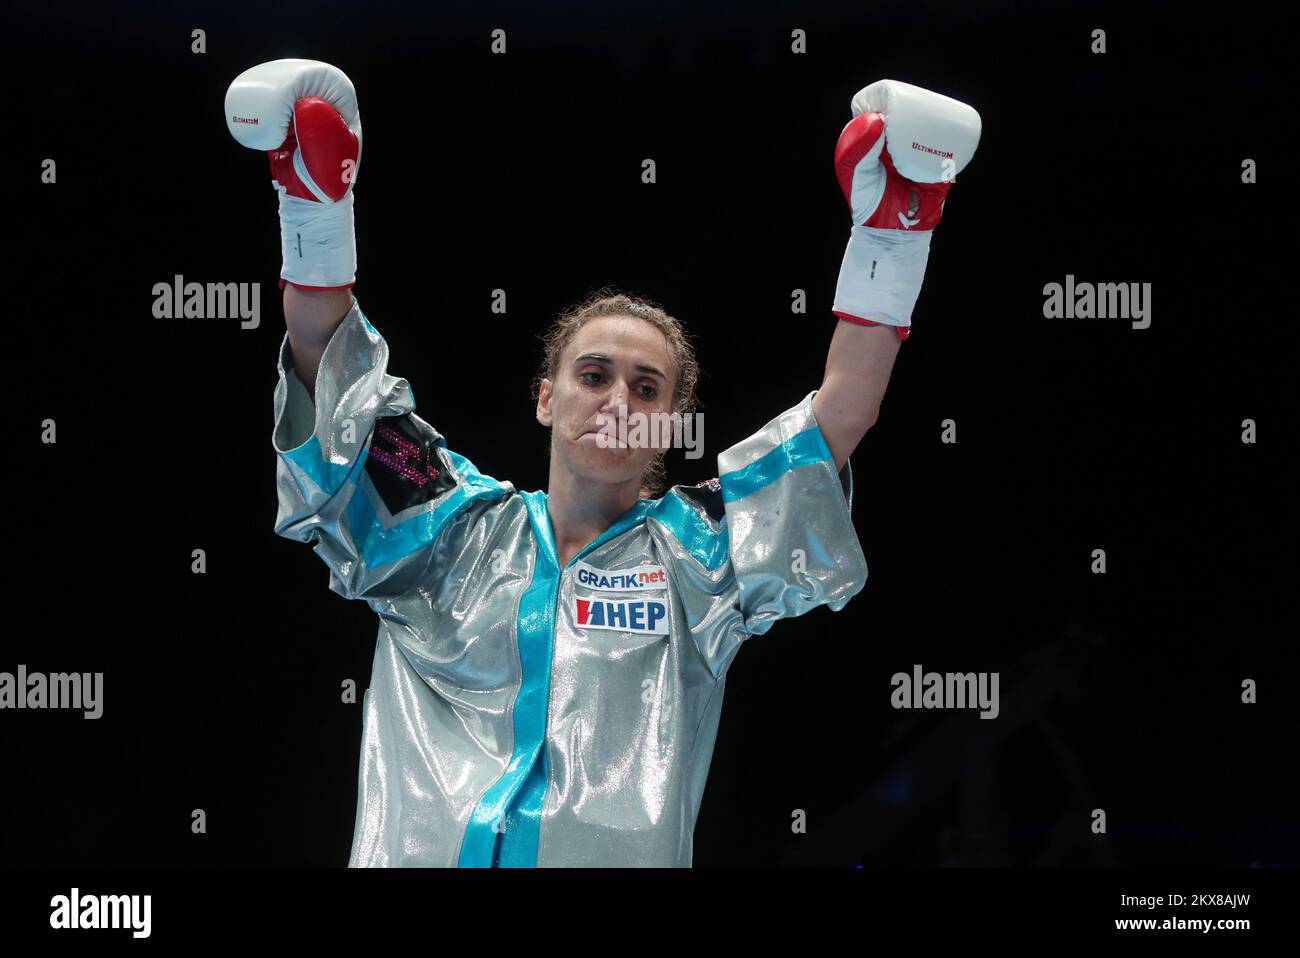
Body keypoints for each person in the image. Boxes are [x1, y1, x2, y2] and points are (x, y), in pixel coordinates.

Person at [225, 60, 981, 867]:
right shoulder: (443, 528)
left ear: (670, 423)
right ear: (546, 399)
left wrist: (892, 240)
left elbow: (842, 412)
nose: (617, 399)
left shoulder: (701, 557)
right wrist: (312, 199)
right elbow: (331, 373)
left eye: (646, 386)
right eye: (593, 375)